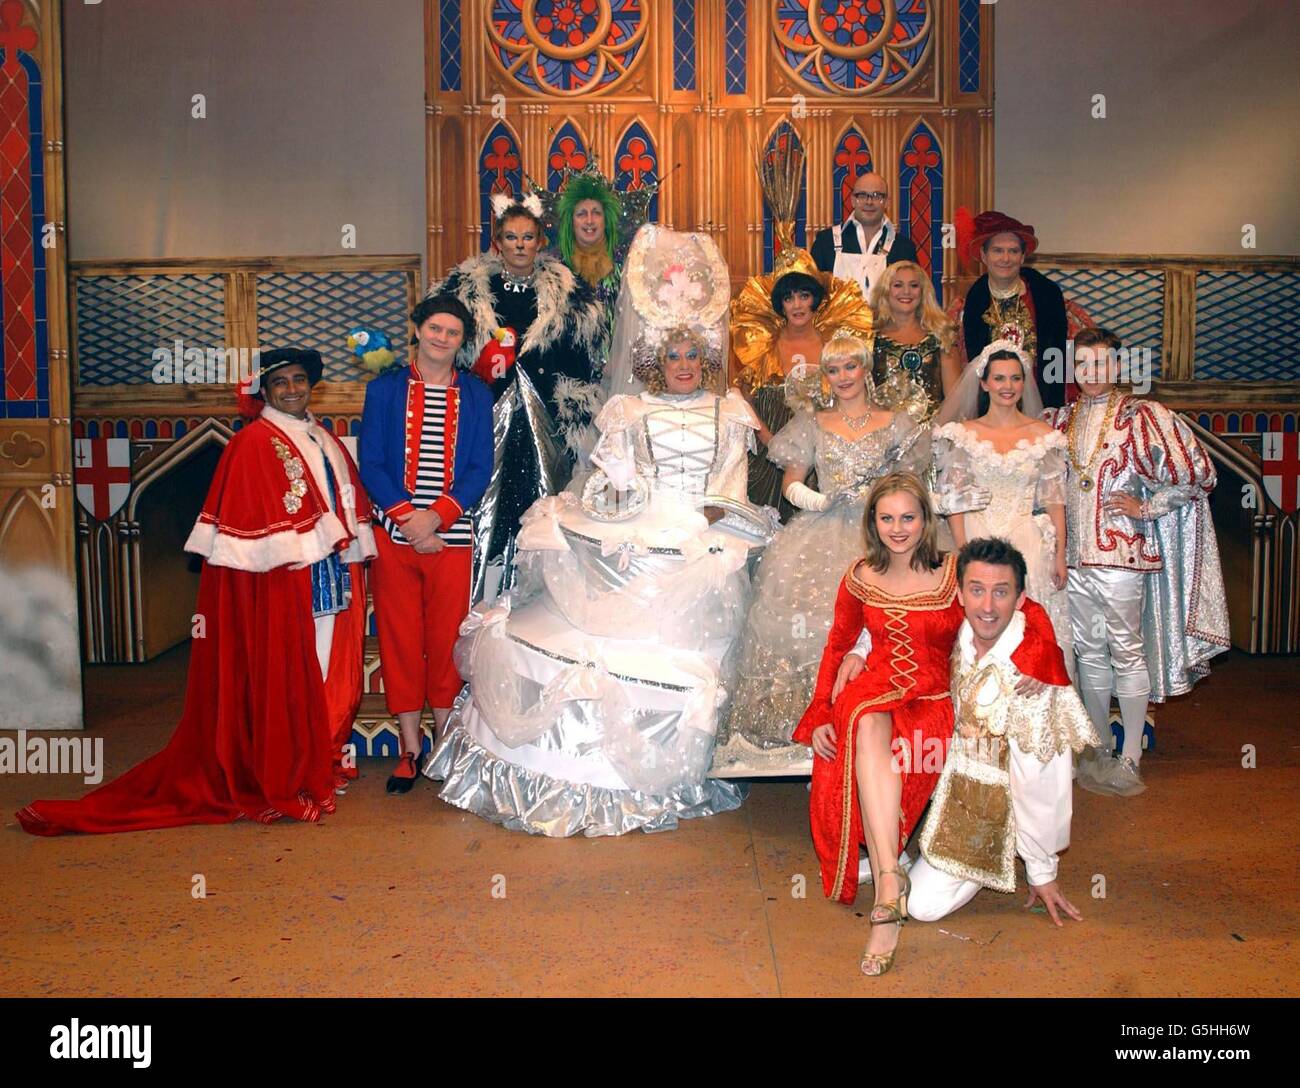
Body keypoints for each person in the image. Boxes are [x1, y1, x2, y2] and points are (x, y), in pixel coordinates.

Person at [425, 225, 763, 836]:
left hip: (702, 524)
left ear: (705, 359)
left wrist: (710, 522)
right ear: (655, 360)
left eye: (693, 355)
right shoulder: (628, 411)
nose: (684, 365)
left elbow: (732, 486)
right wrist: (620, 493)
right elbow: (607, 485)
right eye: (672, 355)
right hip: (645, 521)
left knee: (714, 565)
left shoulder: (732, 410)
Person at [18, 349, 376, 835]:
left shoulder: (323, 438)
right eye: (281, 383)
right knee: (286, 682)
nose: (292, 389)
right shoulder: (252, 444)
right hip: (284, 586)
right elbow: (250, 535)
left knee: (319, 676)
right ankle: (282, 775)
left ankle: (312, 764)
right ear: (264, 393)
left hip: (329, 581)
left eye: (299, 380)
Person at [794, 472, 1060, 975]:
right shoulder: (858, 576)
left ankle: (891, 877)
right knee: (863, 719)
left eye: (908, 517)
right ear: (873, 522)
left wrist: (1042, 659)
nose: (898, 529)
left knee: (880, 728)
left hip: (933, 698)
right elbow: (837, 643)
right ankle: (891, 885)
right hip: (874, 690)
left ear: (926, 520)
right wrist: (820, 714)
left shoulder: (953, 570)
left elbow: (1026, 608)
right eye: (887, 518)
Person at [716, 332, 927, 775]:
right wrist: (817, 500)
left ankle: (878, 727)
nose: (844, 377)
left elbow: (911, 488)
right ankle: (816, 733)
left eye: (851, 366)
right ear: (825, 377)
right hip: (821, 532)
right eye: (833, 370)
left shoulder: (898, 424)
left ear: (866, 369)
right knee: (815, 625)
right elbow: (792, 483)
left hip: (884, 537)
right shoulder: (812, 424)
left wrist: (883, 507)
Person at [1047, 327, 1229, 796]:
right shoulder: (1059, 421)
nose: (1092, 374)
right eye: (1083, 365)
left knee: (1126, 650)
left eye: (1102, 364)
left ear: (1120, 367)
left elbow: (1198, 473)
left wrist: (1146, 508)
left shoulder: (1142, 416)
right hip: (1075, 560)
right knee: (1088, 652)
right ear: (1072, 369)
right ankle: (1099, 746)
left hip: (1122, 555)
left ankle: (1130, 755)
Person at [907, 538, 1100, 926]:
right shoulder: (956, 636)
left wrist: (1042, 870)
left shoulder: (1032, 676)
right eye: (977, 591)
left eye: (1001, 592)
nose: (988, 607)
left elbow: (1042, 782)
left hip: (997, 808)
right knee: (904, 891)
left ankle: (1003, 850)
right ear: (960, 594)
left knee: (920, 908)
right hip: (954, 796)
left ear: (1021, 597)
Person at [429, 192, 606, 599]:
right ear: (498, 241)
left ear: (539, 240)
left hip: (545, 418)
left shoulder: (567, 292)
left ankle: (537, 595)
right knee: (489, 501)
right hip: (486, 415)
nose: (520, 245)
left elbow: (583, 358)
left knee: (541, 501)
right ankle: (483, 595)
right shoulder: (468, 289)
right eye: (511, 237)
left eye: (528, 237)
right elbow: (444, 345)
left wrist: (575, 412)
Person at [359, 296, 494, 795]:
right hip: (396, 537)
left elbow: (480, 466)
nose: (442, 338)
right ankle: (409, 747)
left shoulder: (478, 395)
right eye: (434, 328)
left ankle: (445, 743)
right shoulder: (385, 390)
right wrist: (409, 520)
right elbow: (370, 462)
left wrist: (438, 517)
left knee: (444, 642)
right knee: (399, 638)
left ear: (462, 341)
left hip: (451, 540)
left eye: (453, 332)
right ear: (416, 330)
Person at [934, 340, 1073, 669]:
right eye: (999, 378)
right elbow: (954, 502)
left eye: (1014, 378)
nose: (1007, 386)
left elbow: (1055, 501)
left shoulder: (1044, 435)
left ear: (1024, 382)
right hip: (976, 536)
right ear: (984, 383)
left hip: (1027, 540)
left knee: (1030, 627)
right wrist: (963, 550)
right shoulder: (962, 434)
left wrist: (1060, 554)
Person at [953, 211, 1069, 408]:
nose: (1005, 258)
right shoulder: (971, 304)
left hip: (1041, 400)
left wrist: (1053, 407)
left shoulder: (1047, 297)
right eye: (997, 250)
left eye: (1013, 251)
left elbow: (1057, 357)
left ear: (1023, 256)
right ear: (983, 255)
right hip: (990, 405)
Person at [867, 259, 962, 422]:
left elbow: (955, 402)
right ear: (885, 291)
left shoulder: (941, 337)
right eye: (897, 285)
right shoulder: (869, 339)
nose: (906, 292)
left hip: (933, 438)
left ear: (923, 291)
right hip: (882, 437)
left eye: (914, 285)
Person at [810, 171, 918, 300]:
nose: (869, 202)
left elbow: (913, 297)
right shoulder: (826, 241)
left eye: (877, 196)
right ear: (853, 200)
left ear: (887, 202)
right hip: (836, 321)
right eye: (862, 195)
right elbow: (812, 295)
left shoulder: (903, 247)